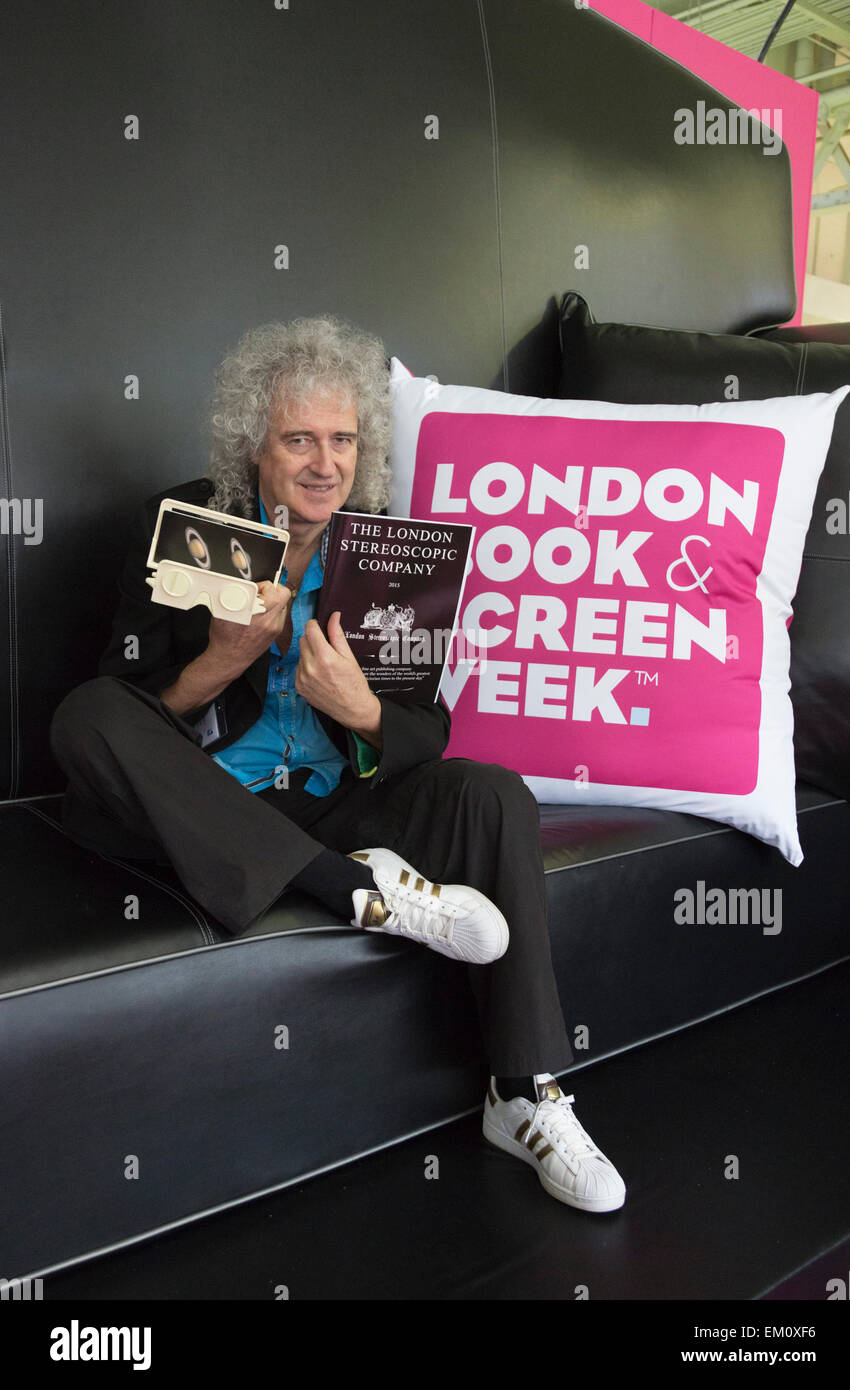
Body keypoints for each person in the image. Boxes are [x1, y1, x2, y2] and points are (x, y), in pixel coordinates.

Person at [49, 314, 626, 1214]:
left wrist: (361, 712)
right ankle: (350, 889)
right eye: (300, 439)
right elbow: (124, 709)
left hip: (331, 801)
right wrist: (220, 664)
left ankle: (526, 1094)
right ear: (253, 445)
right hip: (208, 809)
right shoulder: (192, 528)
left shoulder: (388, 548)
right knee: (83, 716)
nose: (327, 463)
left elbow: (428, 728)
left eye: (344, 439)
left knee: (493, 794)